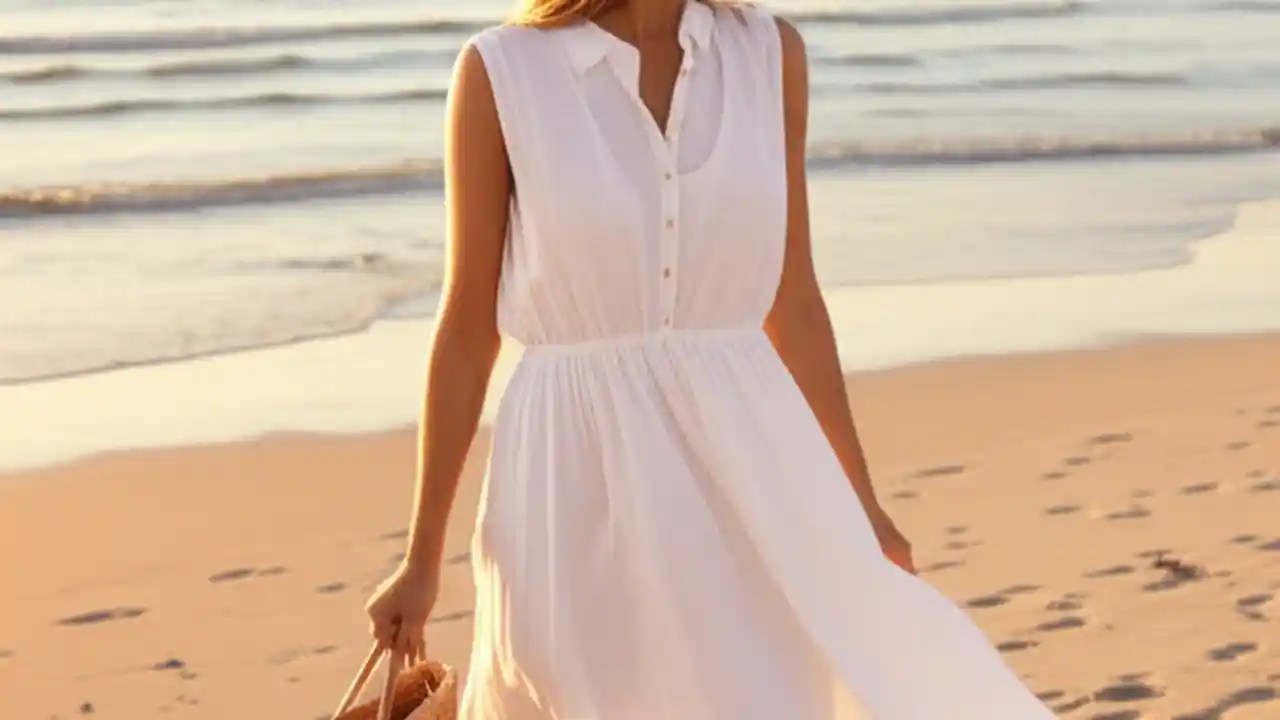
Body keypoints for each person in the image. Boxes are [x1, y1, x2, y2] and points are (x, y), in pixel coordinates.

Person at [365, 0, 1056, 716]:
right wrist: (421, 561)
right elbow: (468, 325)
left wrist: (862, 505)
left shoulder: (768, 56)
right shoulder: (503, 71)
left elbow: (793, 303)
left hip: (750, 461)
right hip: (571, 475)